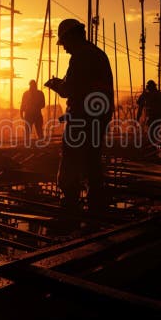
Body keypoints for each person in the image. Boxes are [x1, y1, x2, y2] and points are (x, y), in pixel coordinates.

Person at [44, 19, 114, 211]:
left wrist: (56, 84)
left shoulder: (80, 56)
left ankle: (70, 198)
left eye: (65, 43)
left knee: (71, 154)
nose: (64, 48)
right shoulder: (98, 54)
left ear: (72, 37)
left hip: (82, 115)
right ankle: (96, 195)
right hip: (100, 115)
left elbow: (70, 88)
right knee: (92, 154)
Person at [20, 79, 45, 144]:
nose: (32, 87)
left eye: (33, 86)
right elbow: (22, 104)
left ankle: (40, 143)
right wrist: (21, 113)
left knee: (39, 130)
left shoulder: (40, 93)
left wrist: (36, 105)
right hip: (29, 115)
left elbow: (43, 104)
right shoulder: (26, 94)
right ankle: (28, 144)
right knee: (28, 131)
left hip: (36, 115)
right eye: (31, 86)